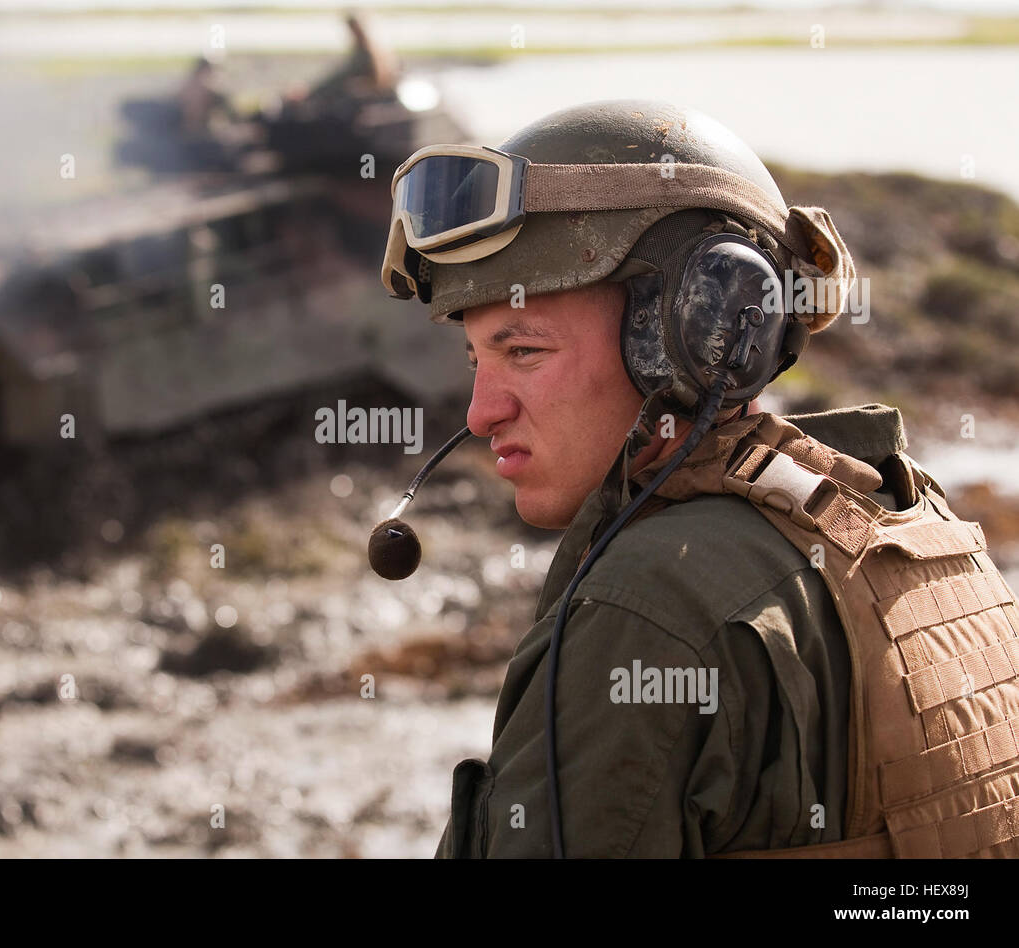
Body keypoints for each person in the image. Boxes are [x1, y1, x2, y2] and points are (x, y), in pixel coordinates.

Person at [378, 100, 1019, 858]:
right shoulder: (912, 521)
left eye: (524, 352)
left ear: (702, 333)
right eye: (475, 360)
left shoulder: (647, 604)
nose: (482, 414)